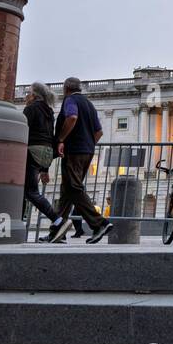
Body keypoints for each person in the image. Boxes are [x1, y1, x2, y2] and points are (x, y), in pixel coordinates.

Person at [46, 77, 113, 244]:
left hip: (74, 151)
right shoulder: (89, 104)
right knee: (66, 191)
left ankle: (99, 223)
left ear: (65, 88)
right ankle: (57, 230)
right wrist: (88, 144)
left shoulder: (70, 100)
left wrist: (61, 139)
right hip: (87, 151)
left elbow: (72, 117)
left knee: (74, 188)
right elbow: (99, 132)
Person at [22, 83, 60, 227]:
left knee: (30, 192)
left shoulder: (31, 108)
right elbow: (50, 135)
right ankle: (58, 229)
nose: (26, 95)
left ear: (34, 95)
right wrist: (45, 169)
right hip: (47, 153)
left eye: (28, 92)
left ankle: (57, 220)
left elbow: (23, 129)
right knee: (27, 190)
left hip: (33, 150)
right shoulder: (49, 111)